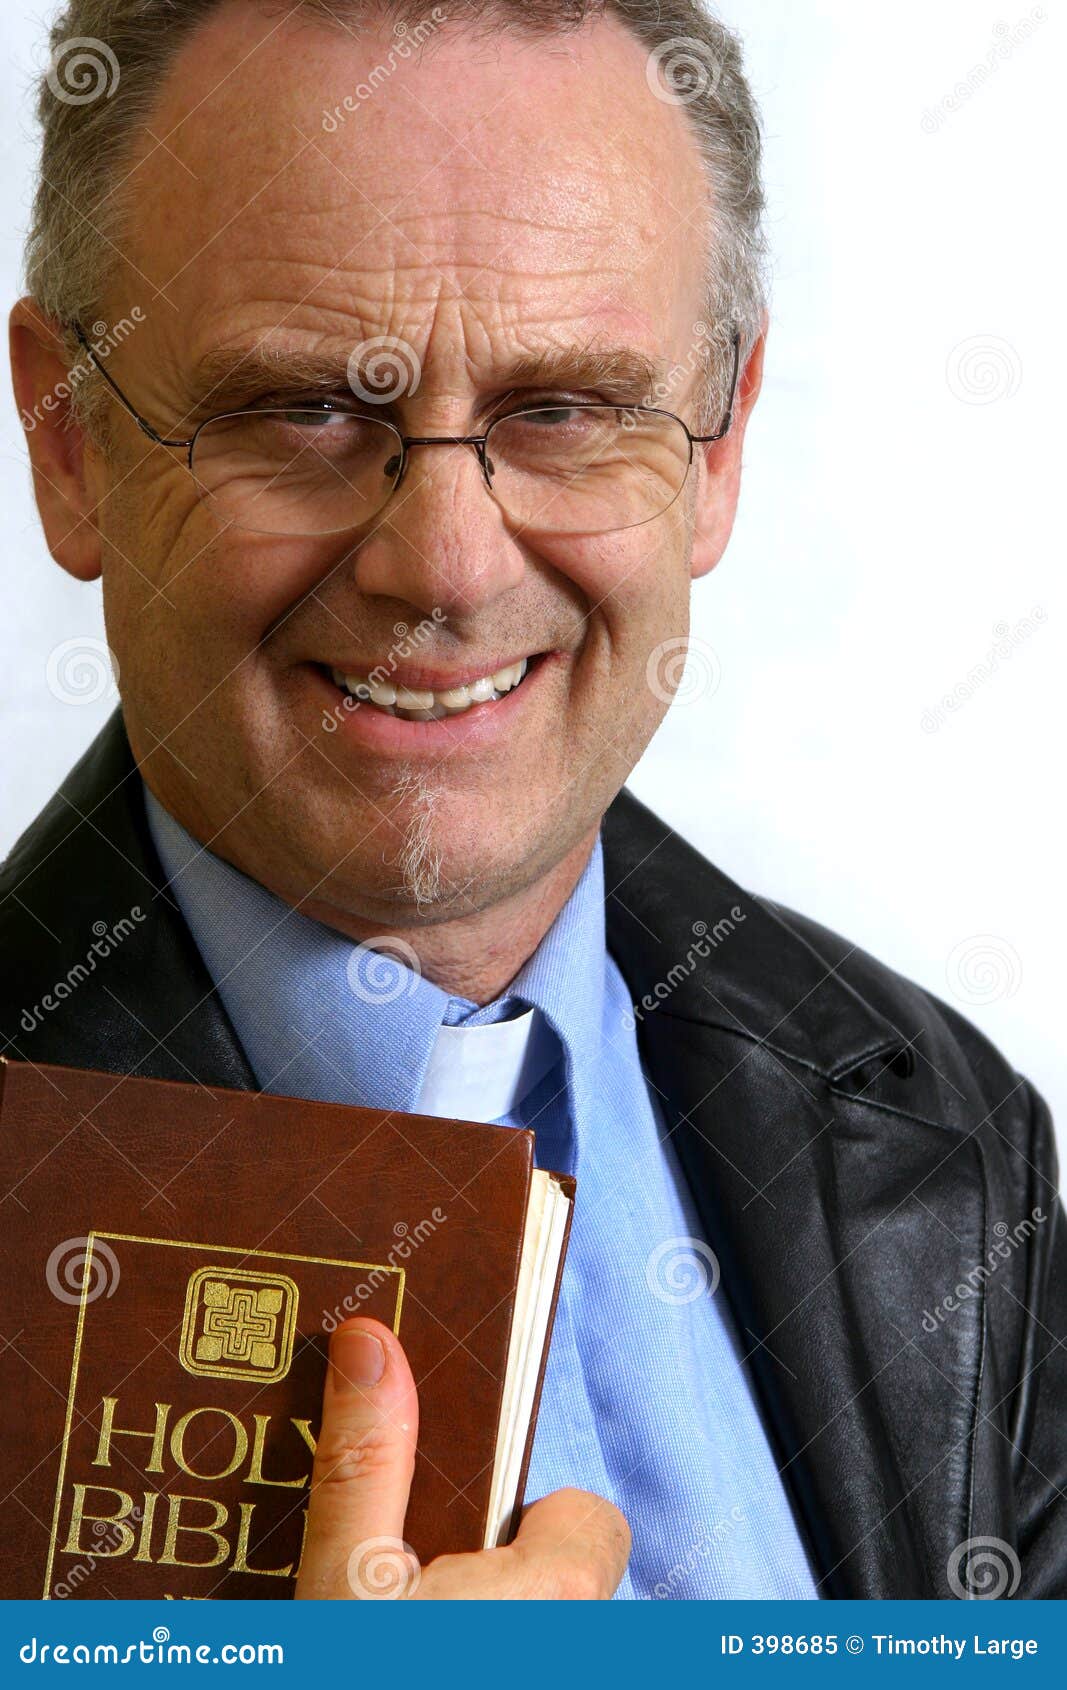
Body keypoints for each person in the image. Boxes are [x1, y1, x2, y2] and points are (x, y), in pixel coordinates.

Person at [4, 0, 1063, 1600]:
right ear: (68, 439)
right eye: (304, 408)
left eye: (562, 410)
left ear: (718, 444)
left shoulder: (946, 1129)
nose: (444, 563)